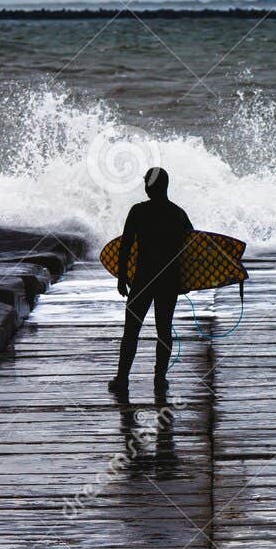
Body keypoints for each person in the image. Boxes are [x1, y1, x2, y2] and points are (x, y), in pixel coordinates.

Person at [108, 167, 193, 402]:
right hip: (168, 281)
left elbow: (125, 247)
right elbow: (192, 251)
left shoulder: (138, 212)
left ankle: (122, 378)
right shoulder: (178, 214)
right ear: (166, 186)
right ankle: (160, 378)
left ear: (148, 186)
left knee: (131, 331)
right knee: (164, 330)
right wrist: (186, 281)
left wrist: (121, 276)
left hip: (143, 279)